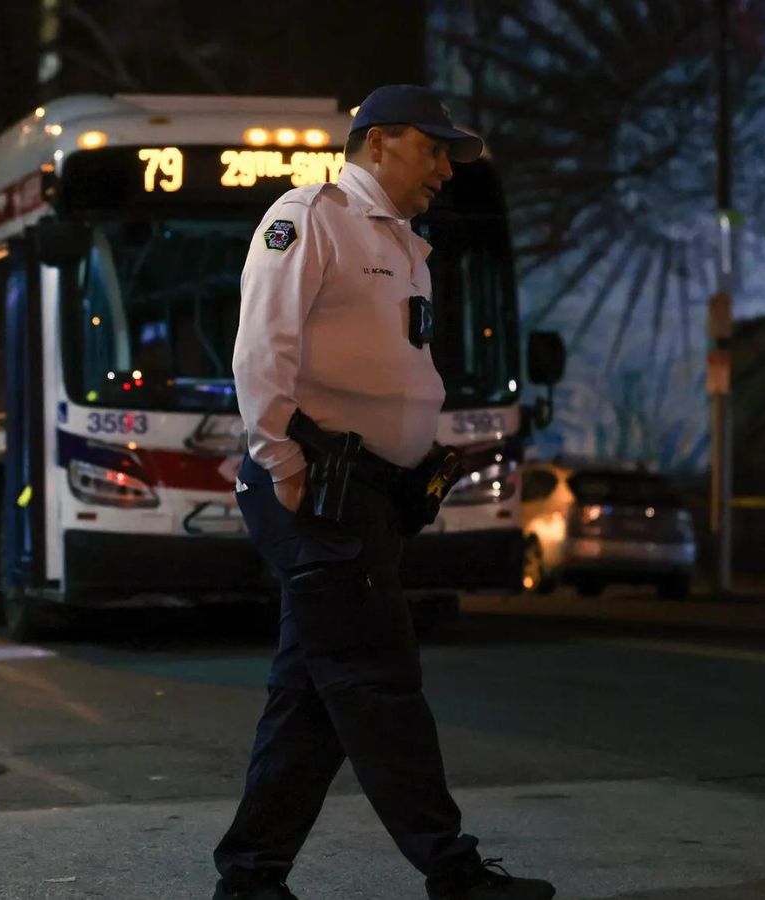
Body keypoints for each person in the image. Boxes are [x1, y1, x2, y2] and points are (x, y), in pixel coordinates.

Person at [212, 85, 555, 900]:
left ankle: (250, 880)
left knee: (311, 698)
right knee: (378, 681)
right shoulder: (312, 217)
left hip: (365, 495)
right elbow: (261, 351)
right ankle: (452, 871)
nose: (445, 169)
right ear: (379, 141)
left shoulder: (402, 241)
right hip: (319, 491)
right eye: (433, 149)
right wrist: (284, 465)